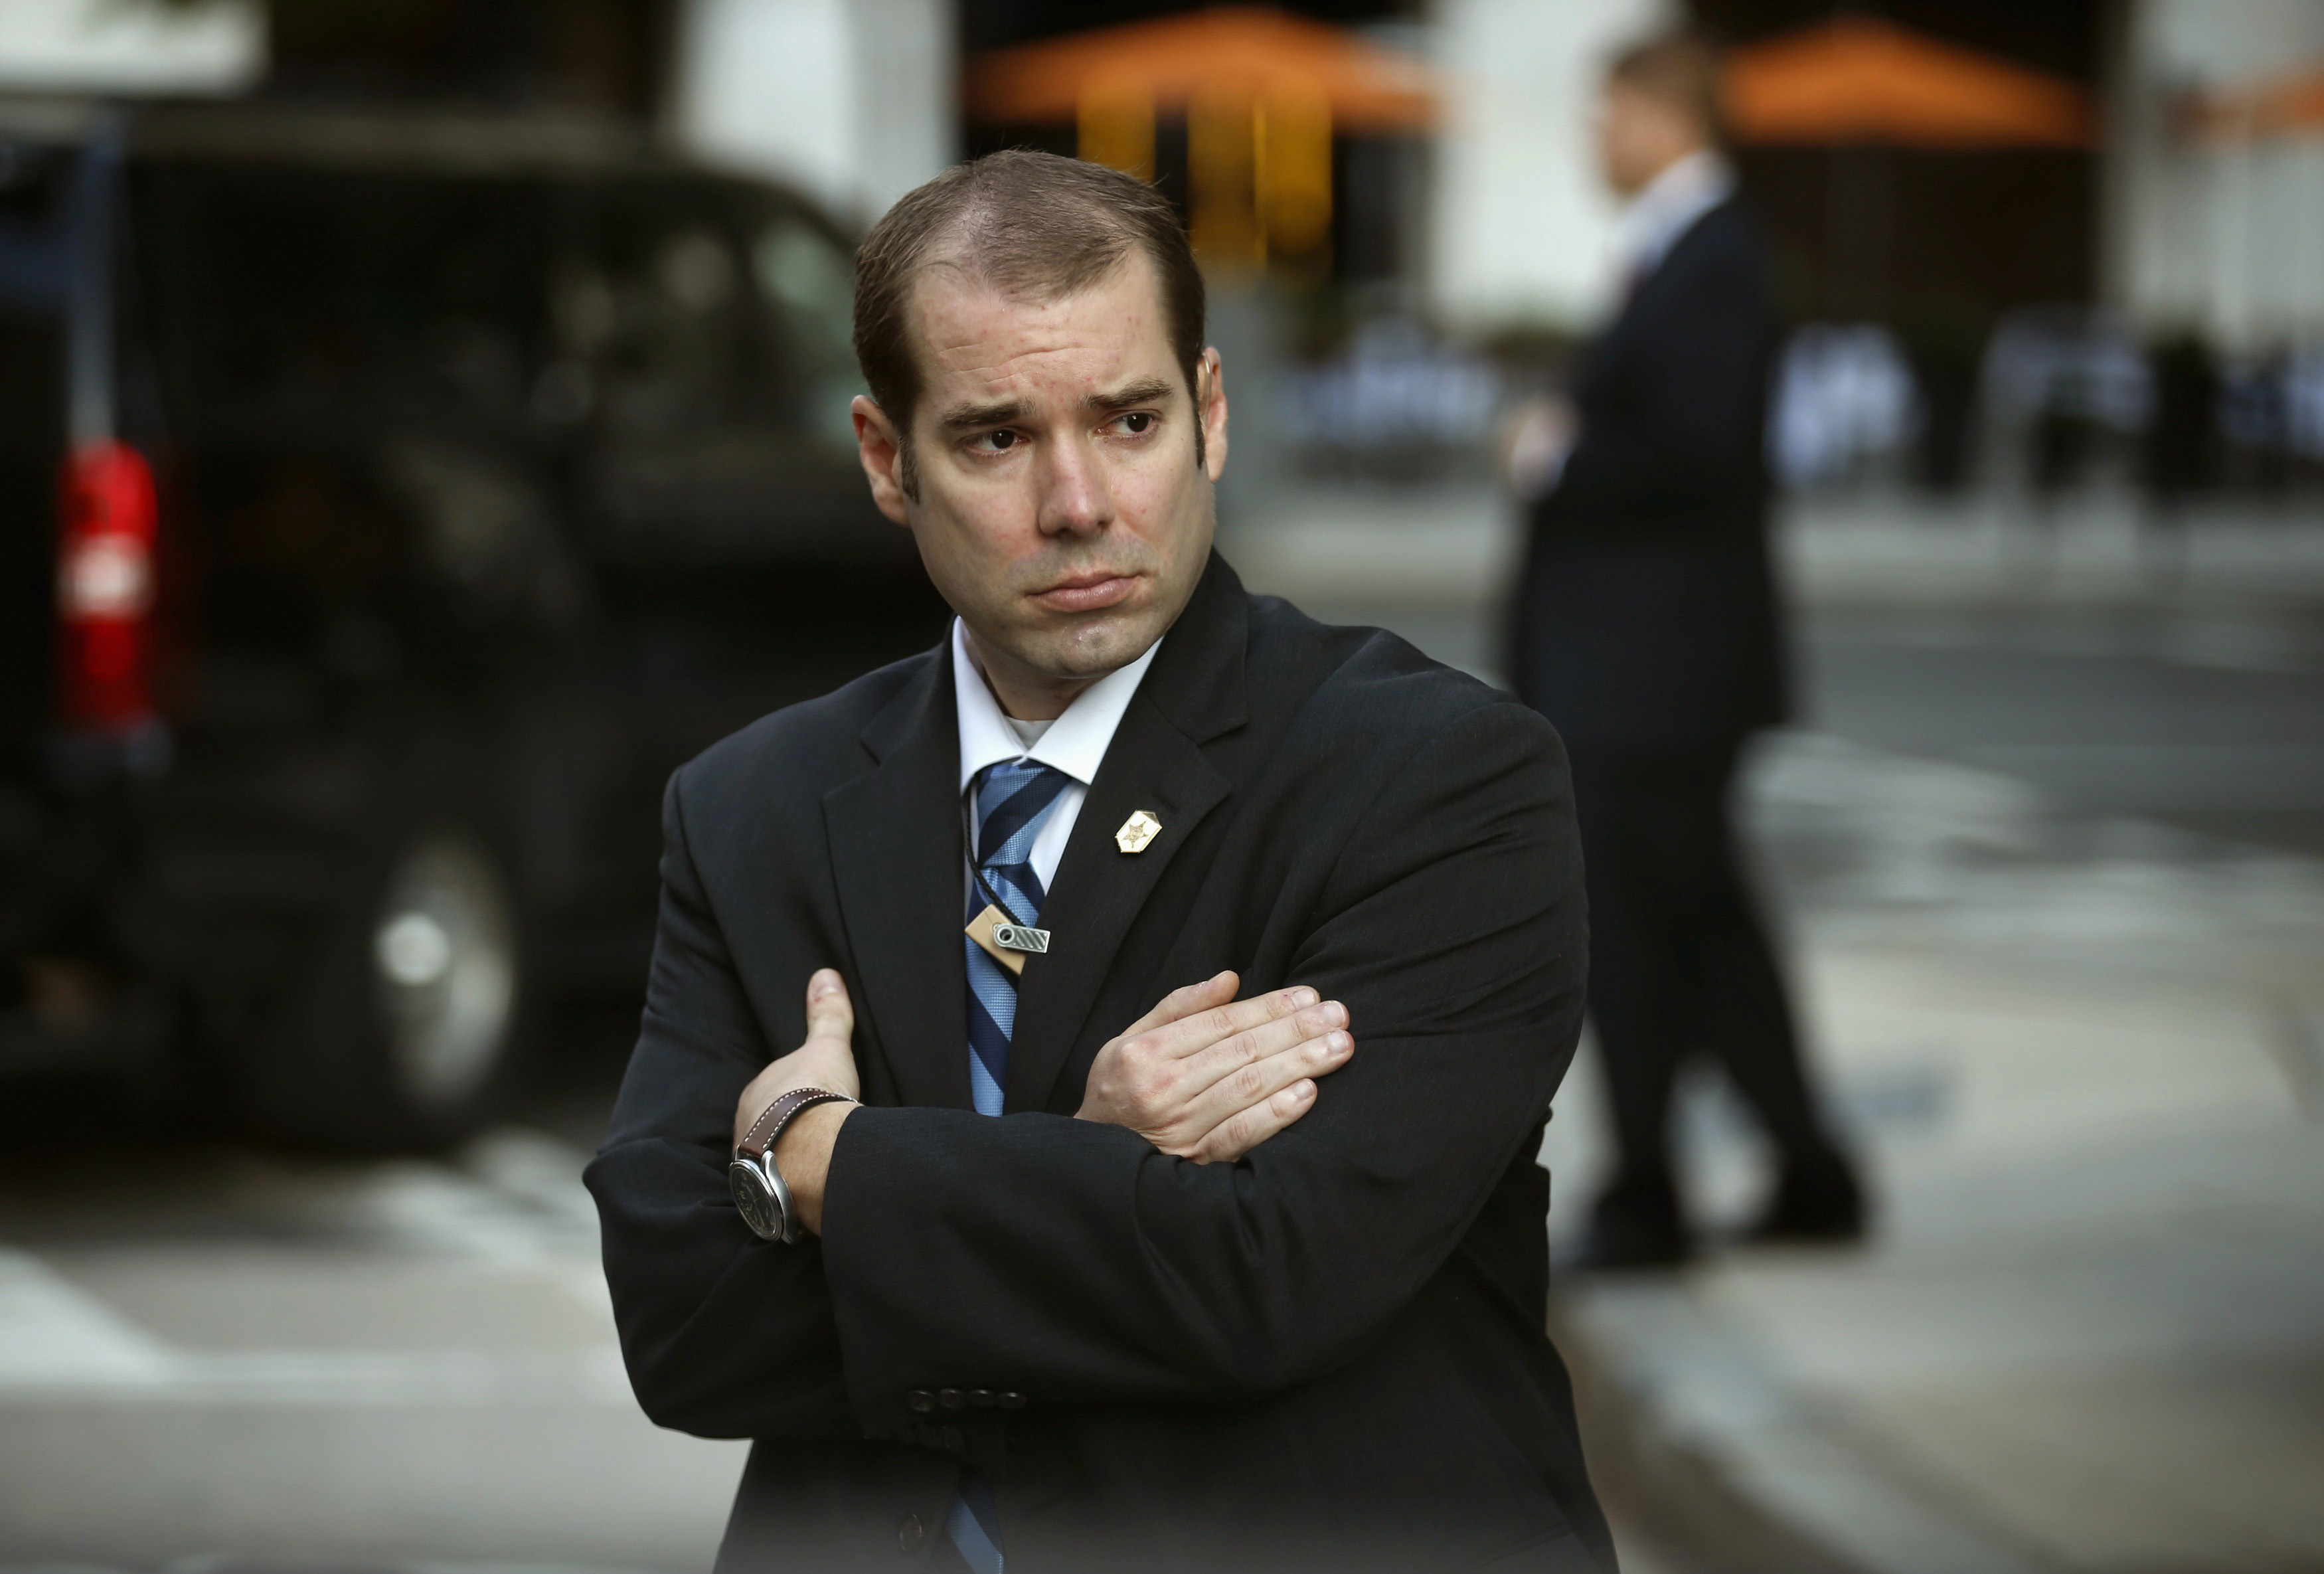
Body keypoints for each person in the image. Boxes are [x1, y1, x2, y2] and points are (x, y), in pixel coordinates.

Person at [586, 151, 1613, 1573]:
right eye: (997, 438)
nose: (1078, 502)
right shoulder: (751, 805)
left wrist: (819, 1160)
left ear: (1209, 412)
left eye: (1129, 421)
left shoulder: (1442, 779)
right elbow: (684, 1323)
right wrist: (1088, 1166)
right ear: (885, 459)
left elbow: (1270, 1280)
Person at [1505, 31, 1864, 1270]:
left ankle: (1651, 1193)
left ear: (1667, 117)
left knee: (1641, 939)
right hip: (1650, 672)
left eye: (1606, 114)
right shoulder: (1687, 251)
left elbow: (1701, 450)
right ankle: (1808, 1169)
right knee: (1703, 926)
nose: (1593, 138)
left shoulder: (1713, 256)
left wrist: (1554, 455)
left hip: (1654, 677)